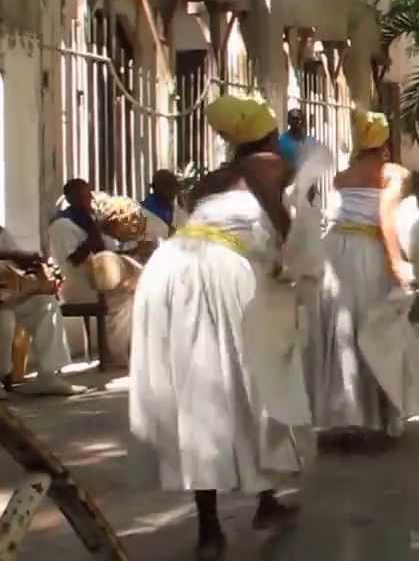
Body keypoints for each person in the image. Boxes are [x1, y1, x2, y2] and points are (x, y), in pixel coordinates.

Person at [130, 95, 319, 559]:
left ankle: (214, 527)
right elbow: (284, 232)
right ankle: (263, 501)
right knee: (257, 386)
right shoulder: (269, 166)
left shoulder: (211, 179)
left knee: (201, 394)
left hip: (175, 269)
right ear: (269, 135)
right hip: (221, 271)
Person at [308, 109, 419, 441]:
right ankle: (382, 415)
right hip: (368, 253)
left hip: (335, 251)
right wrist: (397, 263)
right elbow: (386, 218)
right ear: (385, 141)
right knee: (376, 330)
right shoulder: (393, 173)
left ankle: (344, 414)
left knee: (342, 329)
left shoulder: (343, 175)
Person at [49, 179, 135, 369]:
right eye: (82, 197)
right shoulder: (61, 224)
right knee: (124, 297)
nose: (88, 201)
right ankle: (115, 354)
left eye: (88, 195)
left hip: (99, 279)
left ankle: (126, 350)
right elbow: (74, 260)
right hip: (78, 285)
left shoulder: (88, 221)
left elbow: (107, 252)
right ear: (70, 199)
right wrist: (94, 234)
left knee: (137, 289)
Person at [0, 227, 76, 396]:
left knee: (46, 304)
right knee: (4, 317)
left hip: (9, 293)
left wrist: (37, 268)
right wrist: (12, 255)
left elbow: (17, 263)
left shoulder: (2, 233)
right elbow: (13, 255)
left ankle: (48, 376)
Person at [140, 169, 188, 244]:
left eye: (174, 188)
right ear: (156, 188)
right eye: (168, 187)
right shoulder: (141, 213)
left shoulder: (178, 213)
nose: (173, 192)